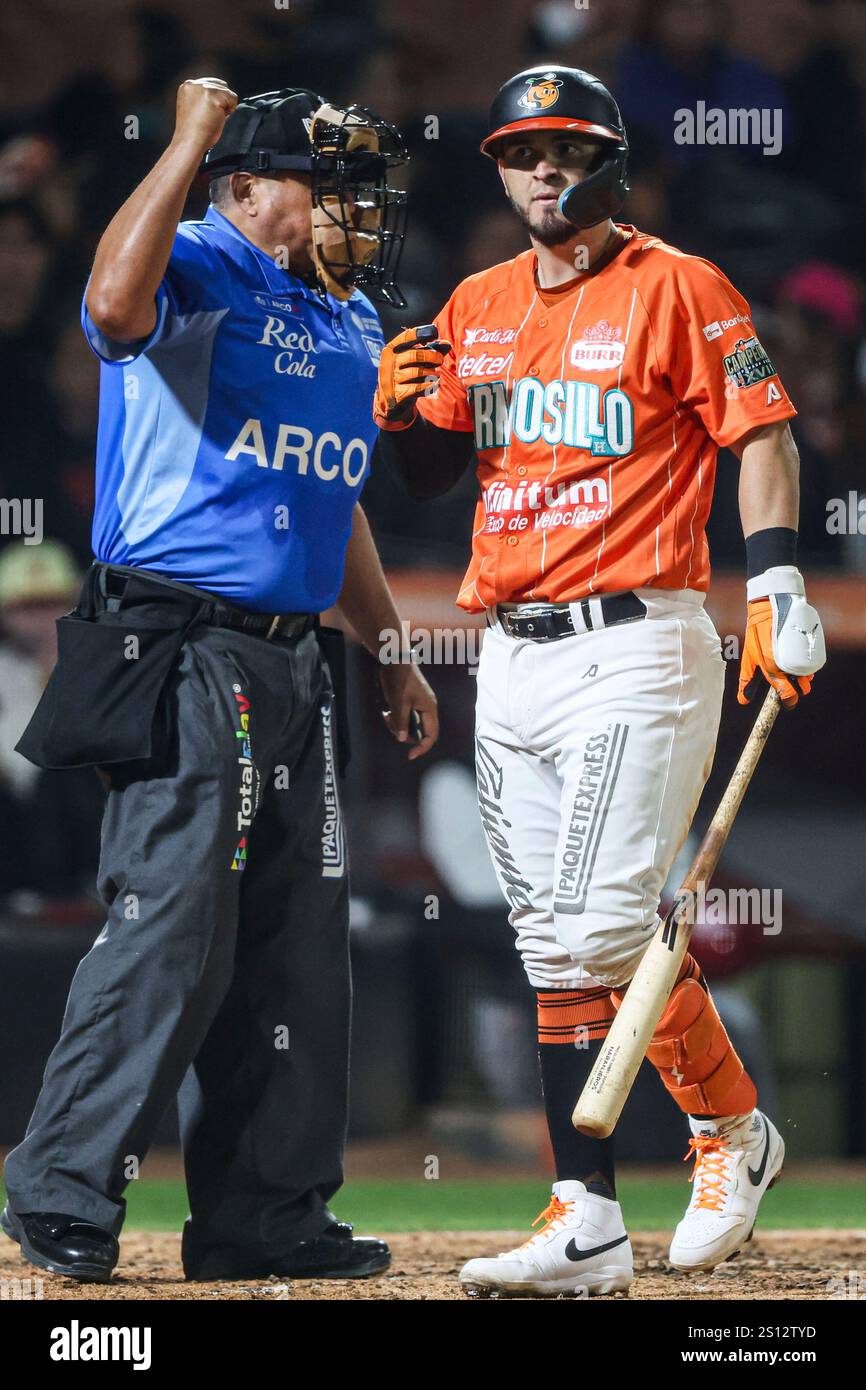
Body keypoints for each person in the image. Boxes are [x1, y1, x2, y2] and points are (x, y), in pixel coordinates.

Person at [374, 65, 825, 1297]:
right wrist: (400, 415)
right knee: (550, 948)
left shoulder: (678, 284)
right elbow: (427, 480)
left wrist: (777, 583)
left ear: (609, 159)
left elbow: (763, 432)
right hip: (508, 651)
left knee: (599, 925)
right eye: (518, 152)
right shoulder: (473, 301)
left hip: (637, 640)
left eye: (563, 148)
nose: (538, 170)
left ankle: (726, 1135)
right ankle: (588, 1217)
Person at [2, 79, 437, 1286]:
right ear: (245, 188)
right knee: (171, 926)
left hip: (296, 656)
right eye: (328, 181)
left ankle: (264, 1211)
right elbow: (107, 301)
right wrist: (189, 138)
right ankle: (59, 1188)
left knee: (301, 948)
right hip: (181, 642)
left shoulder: (348, 319)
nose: (358, 207)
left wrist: (389, 648)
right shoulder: (192, 257)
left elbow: (329, 499)